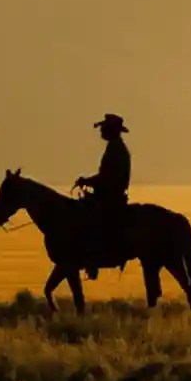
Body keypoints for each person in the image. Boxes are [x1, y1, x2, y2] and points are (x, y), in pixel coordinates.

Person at [74, 113, 131, 280]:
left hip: (111, 197)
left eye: (104, 128)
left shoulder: (116, 150)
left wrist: (88, 181)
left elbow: (107, 178)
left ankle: (92, 260)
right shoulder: (115, 148)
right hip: (109, 194)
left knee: (88, 221)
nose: (101, 131)